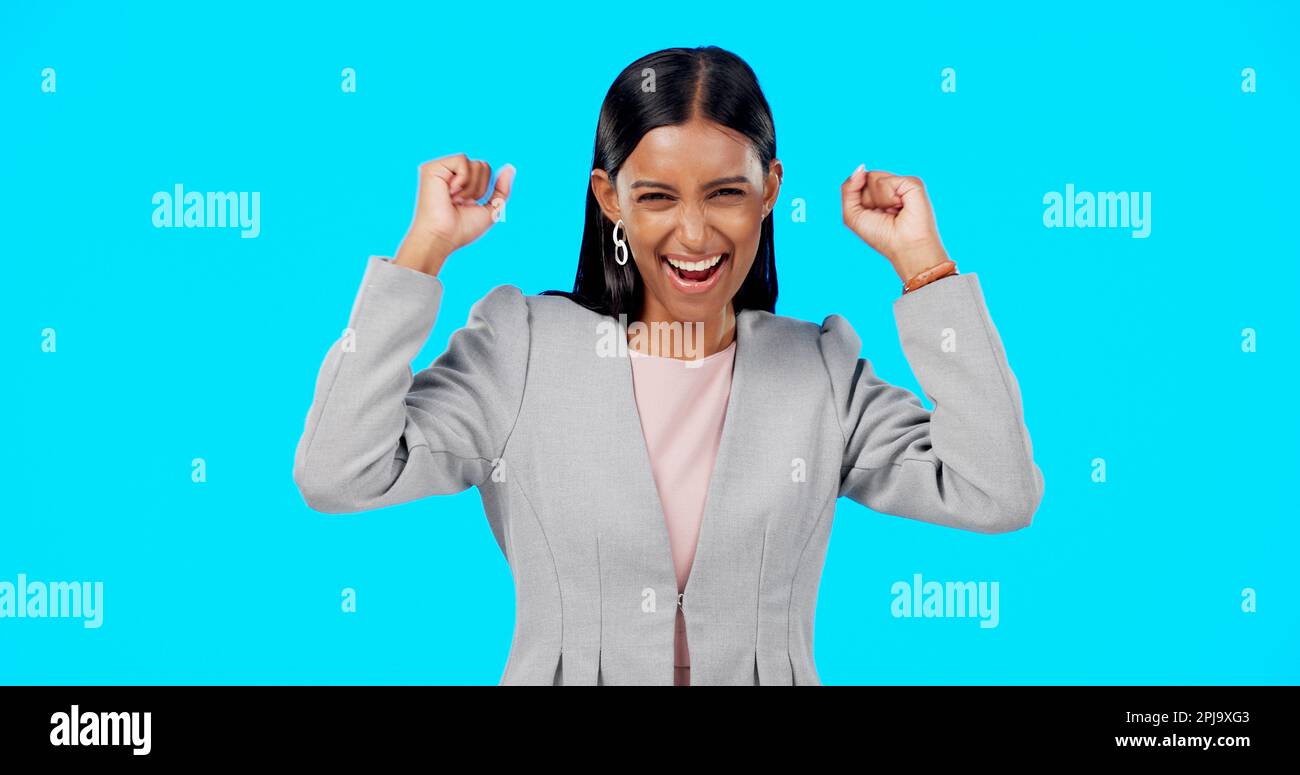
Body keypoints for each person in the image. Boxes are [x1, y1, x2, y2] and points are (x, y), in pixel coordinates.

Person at [293, 45, 1044, 685]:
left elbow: (996, 492)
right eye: (656, 196)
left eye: (725, 193)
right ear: (609, 200)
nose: (693, 232)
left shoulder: (819, 368)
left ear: (770, 192)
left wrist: (924, 267)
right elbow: (339, 471)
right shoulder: (521, 349)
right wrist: (422, 252)